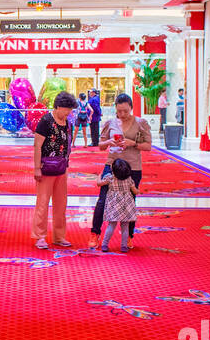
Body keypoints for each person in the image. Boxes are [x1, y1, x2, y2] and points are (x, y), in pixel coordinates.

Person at [89, 93, 152, 248]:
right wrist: (109, 142)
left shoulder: (140, 123)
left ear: (131, 107)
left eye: (125, 111)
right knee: (102, 200)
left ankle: (129, 235)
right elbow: (101, 145)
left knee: (130, 202)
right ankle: (95, 233)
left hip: (133, 167)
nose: (122, 114)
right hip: (112, 165)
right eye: (119, 111)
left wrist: (132, 143)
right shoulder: (110, 122)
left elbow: (148, 146)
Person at [32, 92, 78, 250]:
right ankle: (40, 236)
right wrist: (37, 168)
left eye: (70, 110)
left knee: (61, 205)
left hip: (62, 169)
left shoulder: (68, 122)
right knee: (43, 204)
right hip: (45, 169)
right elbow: (37, 145)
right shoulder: (45, 121)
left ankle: (59, 236)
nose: (68, 112)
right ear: (58, 106)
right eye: (66, 109)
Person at [98, 159, 138, 253]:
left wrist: (99, 176)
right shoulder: (129, 179)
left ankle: (105, 244)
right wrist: (138, 191)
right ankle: (124, 246)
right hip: (126, 205)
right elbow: (135, 191)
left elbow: (99, 184)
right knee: (125, 226)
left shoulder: (110, 177)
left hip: (114, 205)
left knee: (111, 225)